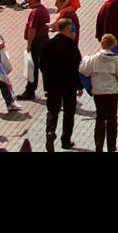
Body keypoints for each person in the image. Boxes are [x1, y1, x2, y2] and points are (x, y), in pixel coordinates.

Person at [81, 33, 118, 153]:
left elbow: (84, 70)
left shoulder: (94, 59)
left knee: (100, 118)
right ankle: (111, 147)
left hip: (98, 93)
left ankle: (99, 145)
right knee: (112, 120)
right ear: (114, 44)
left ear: (102, 44)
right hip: (112, 93)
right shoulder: (116, 61)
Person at [40, 17, 82, 152]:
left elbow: (42, 65)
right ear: (68, 29)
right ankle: (66, 140)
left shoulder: (49, 44)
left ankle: (50, 132)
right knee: (69, 113)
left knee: (52, 110)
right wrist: (80, 86)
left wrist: (46, 85)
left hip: (53, 85)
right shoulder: (71, 45)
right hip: (69, 85)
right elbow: (78, 66)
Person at [20, 0, 49, 100]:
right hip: (44, 40)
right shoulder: (44, 9)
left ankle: (30, 91)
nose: (27, 2)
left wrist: (29, 44)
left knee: (33, 67)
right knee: (44, 67)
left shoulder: (35, 12)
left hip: (37, 42)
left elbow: (32, 29)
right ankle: (48, 90)